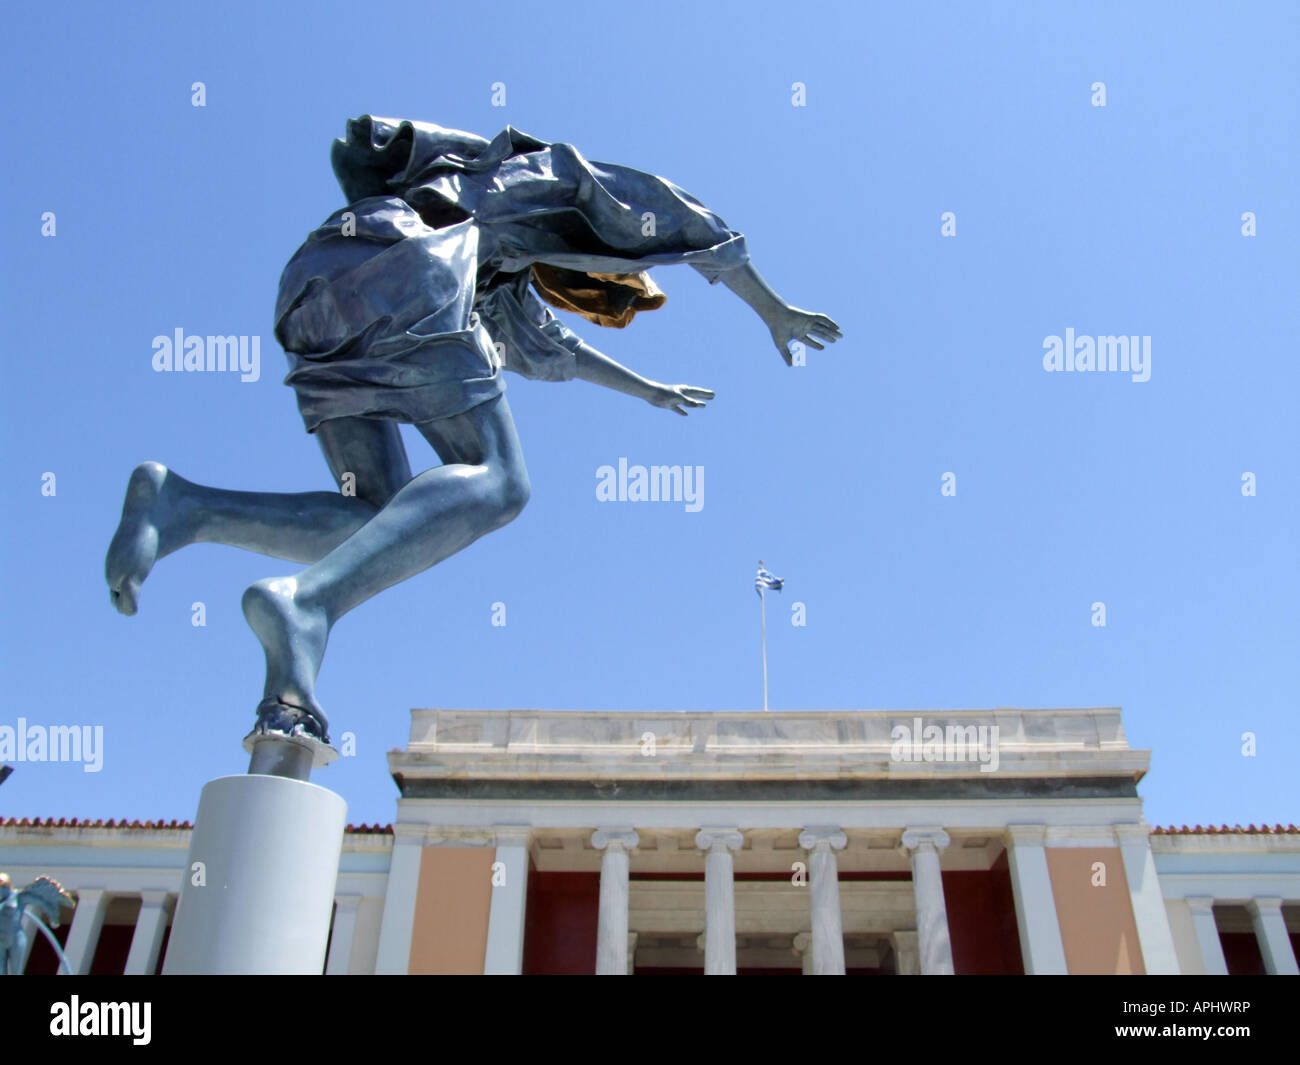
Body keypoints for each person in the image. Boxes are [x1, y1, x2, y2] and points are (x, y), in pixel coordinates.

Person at [106, 117, 842, 743]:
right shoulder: (530, 178)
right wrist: (771, 308)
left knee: (377, 515)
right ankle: (307, 605)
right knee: (501, 482)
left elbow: (550, 347)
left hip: (316, 285)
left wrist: (648, 390)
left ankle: (184, 507)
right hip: (402, 269)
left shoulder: (486, 258)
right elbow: (678, 216)